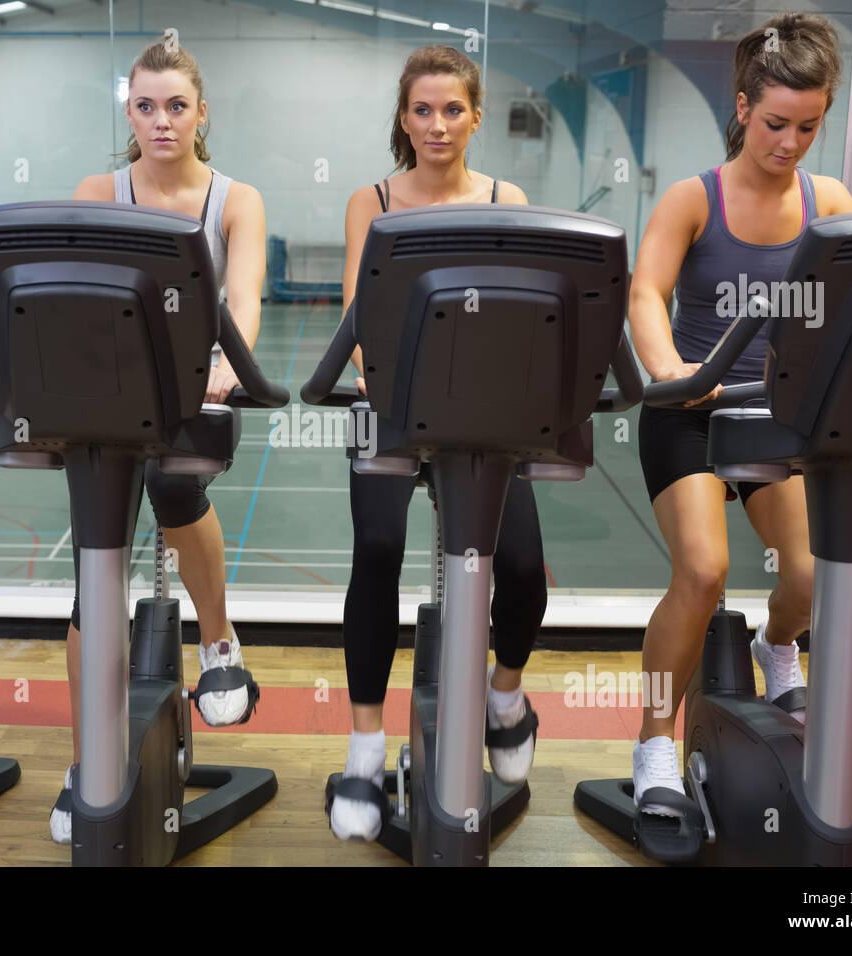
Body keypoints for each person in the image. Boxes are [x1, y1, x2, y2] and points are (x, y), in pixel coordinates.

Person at [627, 12, 852, 820]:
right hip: (693, 414)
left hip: (772, 420)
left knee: (806, 578)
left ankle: (776, 646)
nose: (790, 143)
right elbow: (644, 293)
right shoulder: (697, 198)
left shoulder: (828, 202)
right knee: (703, 572)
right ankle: (655, 739)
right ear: (742, 106)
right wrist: (669, 369)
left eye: (808, 126)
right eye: (774, 124)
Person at [50, 40, 269, 843]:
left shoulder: (234, 199)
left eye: (177, 105)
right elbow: (66, 293)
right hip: (106, 397)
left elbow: (242, 301)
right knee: (91, 575)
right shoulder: (95, 191)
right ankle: (88, 762)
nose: (161, 120)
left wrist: (223, 364)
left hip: (194, 394)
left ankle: (217, 638)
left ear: (201, 112)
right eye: (145, 105)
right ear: (129, 113)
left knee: (177, 490)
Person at [329, 46, 546, 842]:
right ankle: (362, 746)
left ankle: (504, 697)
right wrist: (393, 384)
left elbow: (525, 311)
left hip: (484, 412)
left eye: (453, 109)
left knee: (521, 563)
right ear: (402, 118)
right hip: (386, 402)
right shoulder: (373, 202)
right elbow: (359, 321)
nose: (437, 125)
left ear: (475, 117)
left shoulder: (505, 197)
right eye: (422, 110)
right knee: (378, 548)